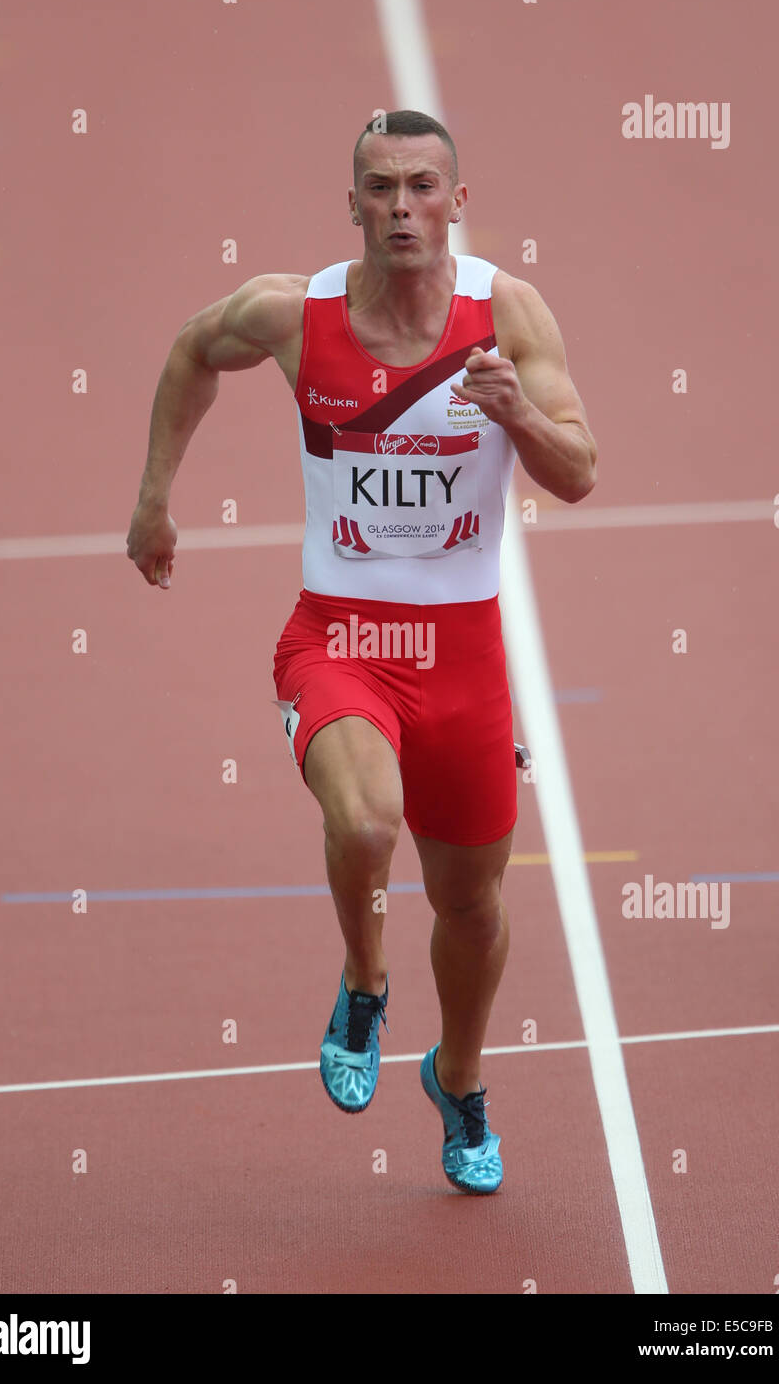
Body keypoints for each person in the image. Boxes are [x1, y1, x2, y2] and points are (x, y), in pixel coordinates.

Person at [126, 110, 597, 1195]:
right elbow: (193, 351)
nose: (401, 207)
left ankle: (457, 1078)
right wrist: (155, 499)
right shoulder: (296, 313)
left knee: (471, 904)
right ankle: (363, 980)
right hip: (339, 637)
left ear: (456, 202)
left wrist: (516, 410)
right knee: (364, 815)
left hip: (463, 656)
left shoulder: (505, 312)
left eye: (422, 186)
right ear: (351, 205)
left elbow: (575, 471)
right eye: (379, 187)